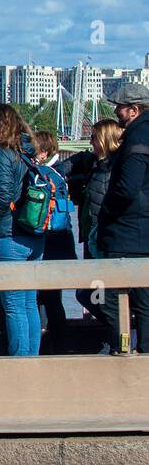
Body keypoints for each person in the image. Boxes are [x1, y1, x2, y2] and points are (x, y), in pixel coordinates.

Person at [0, 104, 42, 356]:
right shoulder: (27, 153)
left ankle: (19, 364)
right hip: (33, 235)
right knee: (29, 304)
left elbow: (3, 197)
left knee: (14, 306)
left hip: (9, 234)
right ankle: (33, 359)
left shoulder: (2, 155)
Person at [58, 119, 122, 349]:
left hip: (104, 242)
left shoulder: (115, 167)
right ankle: (117, 335)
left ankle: (118, 338)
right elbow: (64, 167)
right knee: (92, 295)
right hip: (92, 239)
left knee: (98, 296)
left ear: (104, 139)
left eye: (94, 138)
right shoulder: (93, 162)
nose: (90, 142)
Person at [96, 82, 149, 352]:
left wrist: (106, 211)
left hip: (129, 234)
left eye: (119, 107)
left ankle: (124, 353)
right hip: (139, 232)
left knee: (110, 298)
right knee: (142, 302)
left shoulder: (139, 139)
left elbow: (127, 188)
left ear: (134, 110)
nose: (116, 111)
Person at [30, 130, 78, 353]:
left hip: (45, 241)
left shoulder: (41, 174)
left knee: (40, 297)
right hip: (62, 240)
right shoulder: (60, 176)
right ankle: (60, 342)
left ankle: (45, 344)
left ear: (44, 152)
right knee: (53, 298)